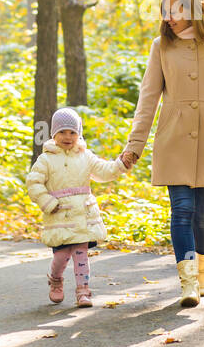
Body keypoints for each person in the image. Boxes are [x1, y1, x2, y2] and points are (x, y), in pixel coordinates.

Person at [121, 0, 204, 307]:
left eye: (174, 11)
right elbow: (147, 99)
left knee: (203, 215)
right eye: (164, 13)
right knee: (182, 210)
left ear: (192, 9)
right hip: (173, 138)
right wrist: (134, 145)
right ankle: (188, 282)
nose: (168, 18)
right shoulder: (161, 46)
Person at [26, 107, 129, 307]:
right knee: (61, 256)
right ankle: (56, 279)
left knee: (81, 255)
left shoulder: (85, 156)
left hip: (82, 215)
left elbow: (104, 171)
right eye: (62, 132)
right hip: (59, 215)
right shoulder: (46, 159)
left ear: (79, 134)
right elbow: (34, 183)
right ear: (54, 134)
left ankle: (83, 291)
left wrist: (121, 164)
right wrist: (47, 202)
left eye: (72, 132)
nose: (67, 136)